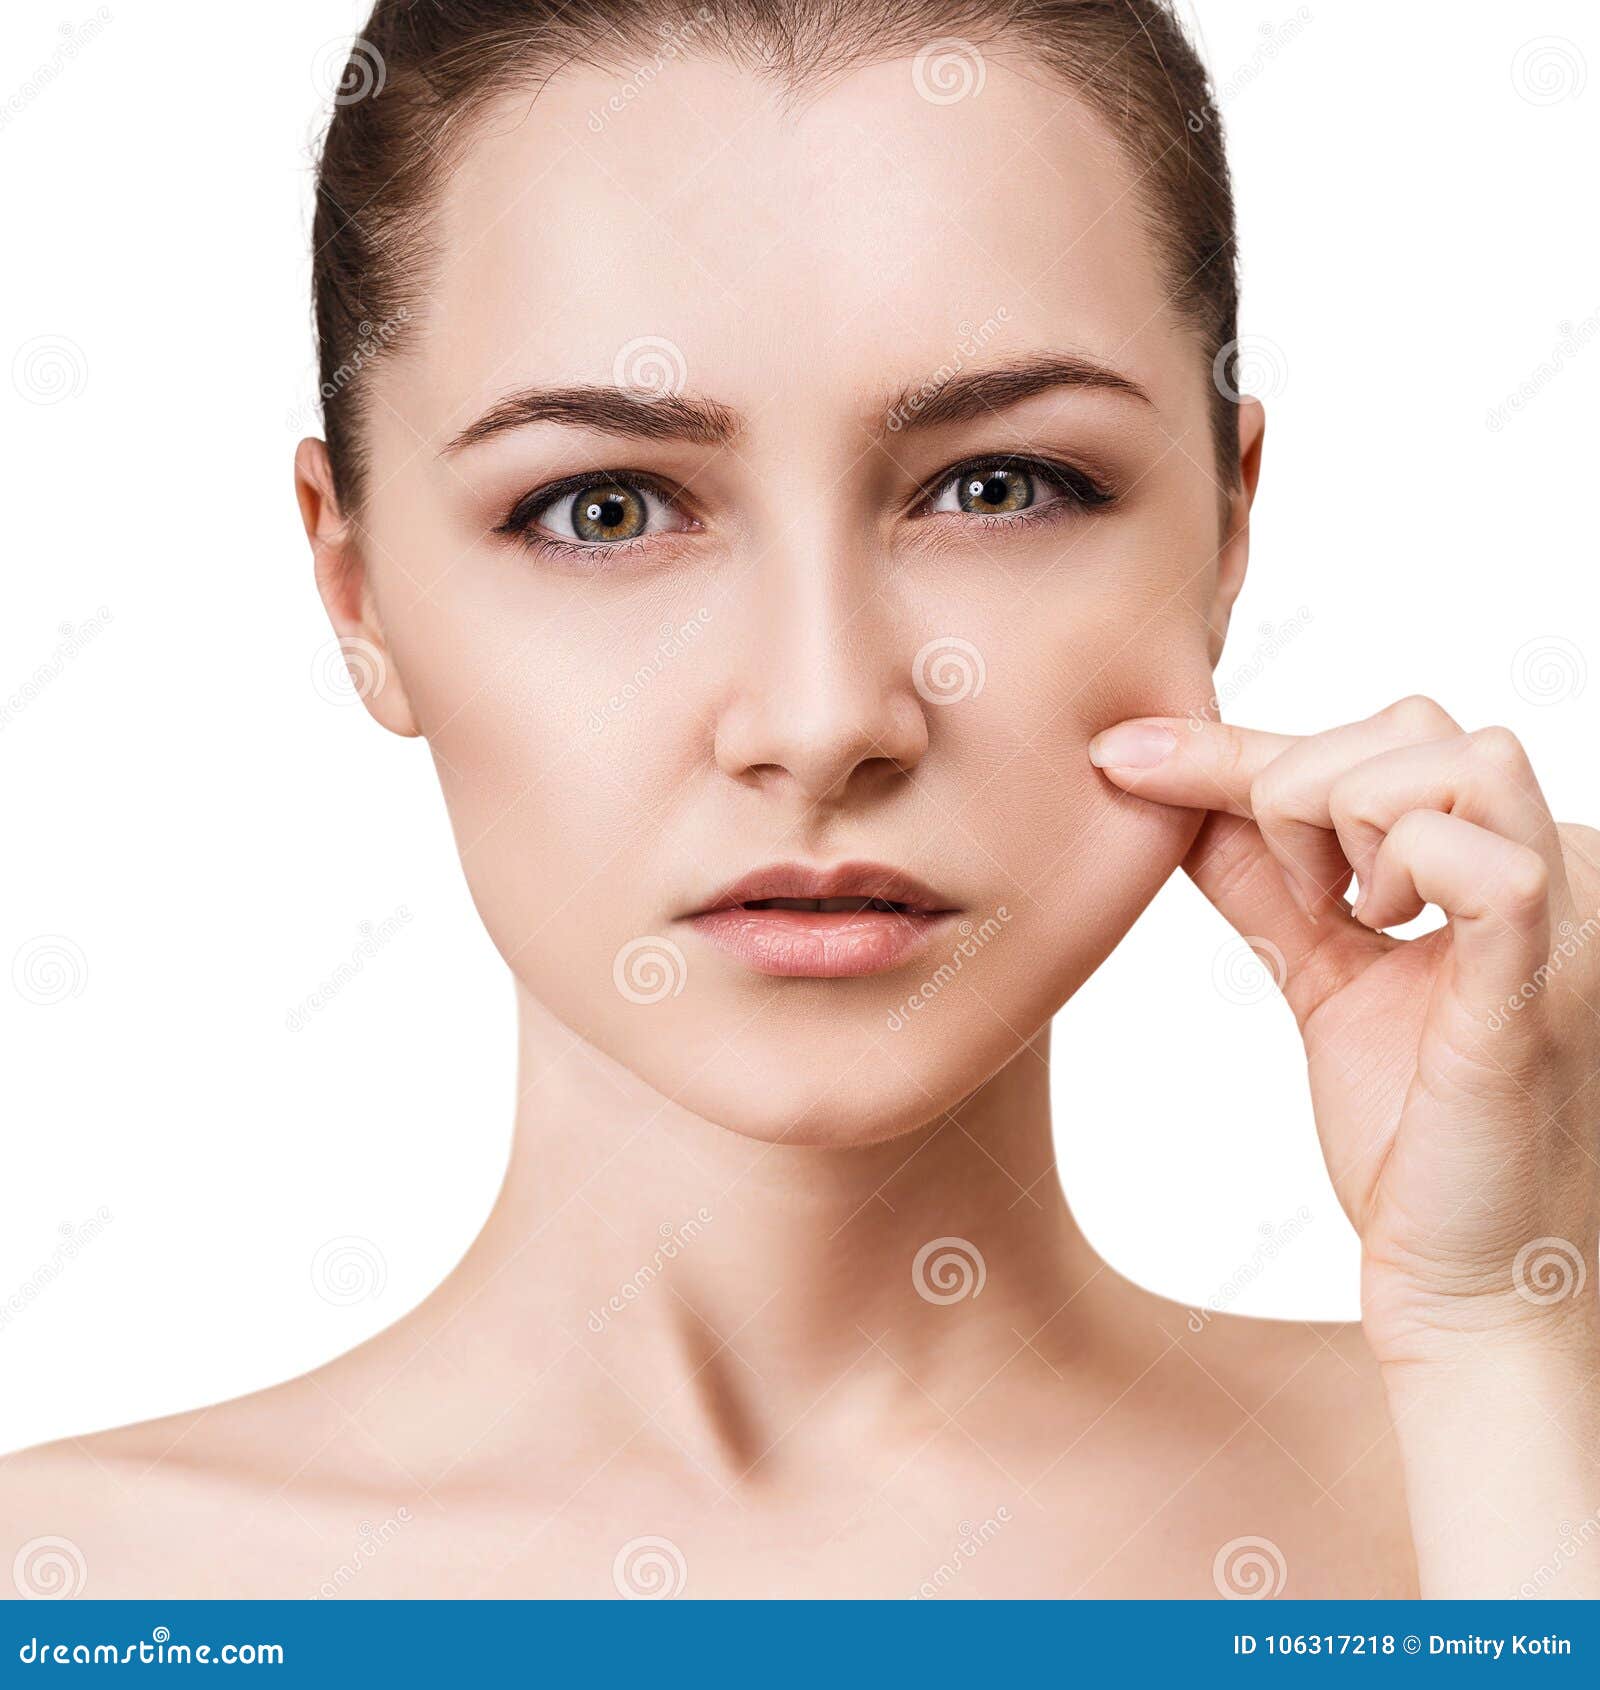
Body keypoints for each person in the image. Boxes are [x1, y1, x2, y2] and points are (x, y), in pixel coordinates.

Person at [4, 0, 1597, 1601]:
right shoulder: (67, 1590)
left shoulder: (1508, 1465)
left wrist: (1502, 1331)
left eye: (1000, 486)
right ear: (353, 583)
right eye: (603, 506)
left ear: (1226, 534)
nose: (828, 715)